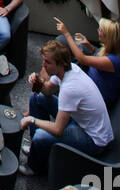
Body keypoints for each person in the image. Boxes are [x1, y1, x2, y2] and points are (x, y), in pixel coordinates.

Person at [20, 39, 113, 176]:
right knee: (36, 98)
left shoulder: (70, 88)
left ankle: (35, 166)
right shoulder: (68, 70)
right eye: (44, 61)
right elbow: (47, 91)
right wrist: (38, 83)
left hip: (94, 140)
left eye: (48, 62)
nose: (43, 65)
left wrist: (31, 120)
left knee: (40, 135)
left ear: (60, 64)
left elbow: (58, 129)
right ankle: (38, 150)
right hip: (81, 122)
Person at [54, 17, 120, 110]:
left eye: (100, 30)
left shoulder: (113, 60)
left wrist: (66, 33)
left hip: (95, 98)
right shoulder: (107, 48)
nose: (98, 30)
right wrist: (89, 46)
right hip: (89, 79)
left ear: (107, 36)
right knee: (58, 52)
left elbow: (82, 59)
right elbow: (97, 55)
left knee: (60, 68)